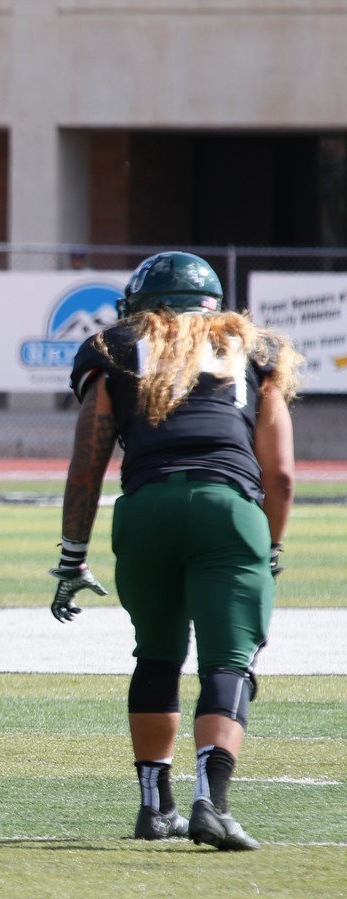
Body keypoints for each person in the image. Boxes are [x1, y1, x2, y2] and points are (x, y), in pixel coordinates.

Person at [50, 250, 300, 851]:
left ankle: (155, 807)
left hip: (145, 510)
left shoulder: (113, 347)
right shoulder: (256, 351)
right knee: (228, 662)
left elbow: (88, 465)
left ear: (143, 305)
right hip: (228, 509)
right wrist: (269, 544)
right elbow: (283, 474)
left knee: (157, 656)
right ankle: (211, 802)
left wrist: (71, 556)